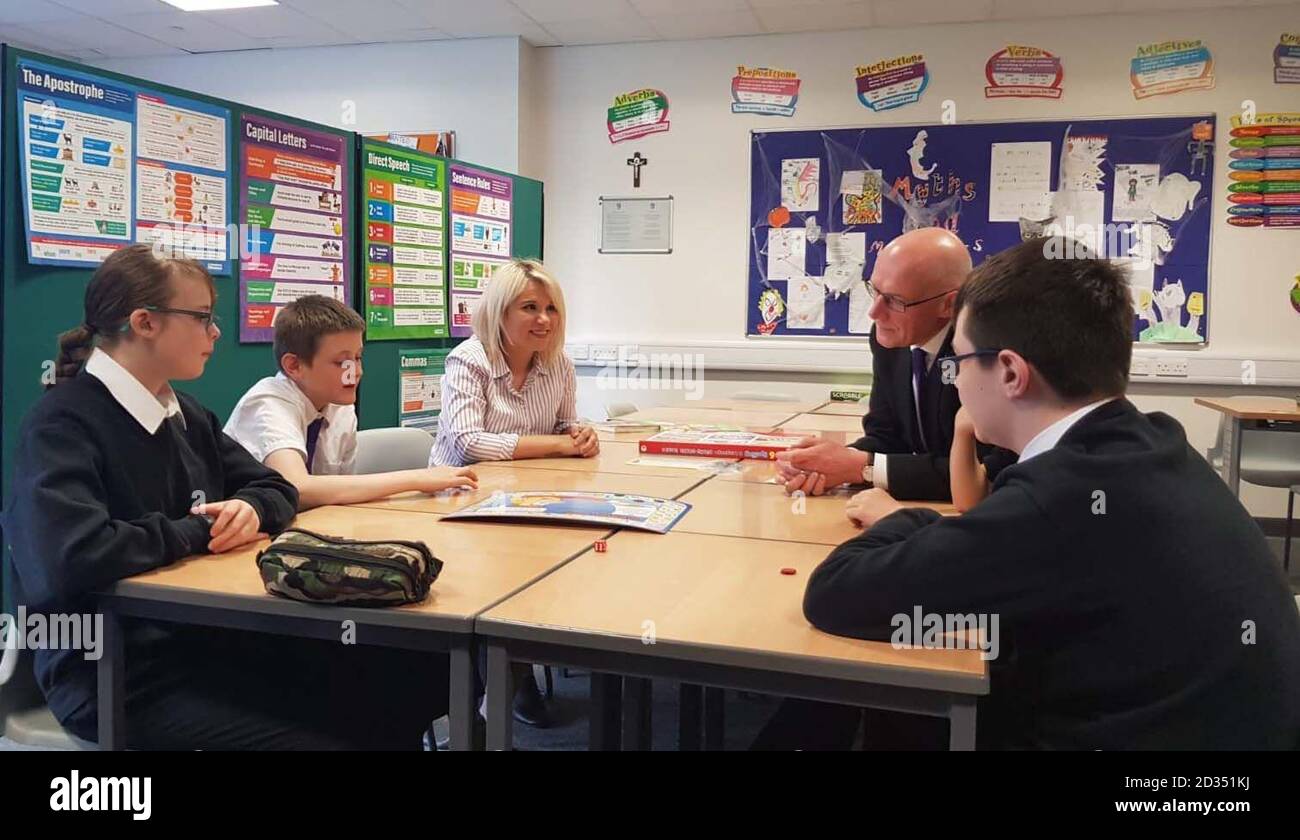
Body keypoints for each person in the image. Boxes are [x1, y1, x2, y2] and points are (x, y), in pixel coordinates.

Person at [802, 238, 1300, 749]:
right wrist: (942, 531)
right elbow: (1003, 537)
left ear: (1012, 374)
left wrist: (900, 523)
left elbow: (835, 593)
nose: (956, 381)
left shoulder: (1056, 501)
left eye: (960, 362)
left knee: (915, 707)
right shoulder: (1153, 440)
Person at [5, 245, 447, 749]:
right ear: (145, 323)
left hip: (207, 642)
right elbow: (71, 557)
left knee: (417, 674)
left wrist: (251, 508)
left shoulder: (185, 414)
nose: (216, 332)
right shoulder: (63, 423)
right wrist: (201, 529)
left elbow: (278, 488)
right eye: (202, 318)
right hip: (117, 672)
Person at [430, 258, 597, 728]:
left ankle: (510, 679)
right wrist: (559, 444)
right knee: (507, 574)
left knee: (555, 570)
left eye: (551, 309)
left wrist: (581, 435)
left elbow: (566, 425)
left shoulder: (558, 364)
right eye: (529, 307)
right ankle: (492, 697)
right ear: (500, 311)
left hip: (528, 500)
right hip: (458, 502)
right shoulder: (468, 360)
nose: (543, 319)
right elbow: (469, 442)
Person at [776, 228, 1013, 502]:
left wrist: (861, 468)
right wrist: (828, 465)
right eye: (874, 290)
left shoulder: (982, 354)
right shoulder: (889, 339)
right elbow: (886, 437)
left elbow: (988, 471)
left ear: (949, 305)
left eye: (894, 300)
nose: (874, 312)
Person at [225, 294, 476, 509]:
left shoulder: (340, 407)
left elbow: (337, 494)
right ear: (294, 365)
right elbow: (295, 487)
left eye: (358, 358)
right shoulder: (266, 403)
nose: (356, 372)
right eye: (341, 362)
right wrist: (418, 478)